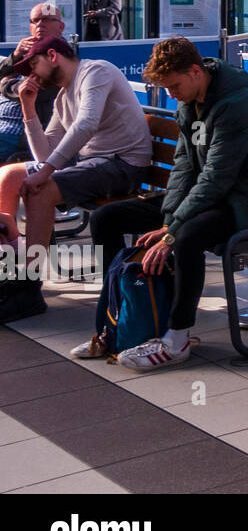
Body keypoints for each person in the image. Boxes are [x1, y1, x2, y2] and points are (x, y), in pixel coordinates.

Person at [75, 37, 248, 370]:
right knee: (106, 219)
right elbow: (185, 166)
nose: (171, 94)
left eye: (174, 86)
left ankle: (177, 338)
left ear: (195, 71)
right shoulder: (190, 104)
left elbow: (217, 178)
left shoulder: (236, 106)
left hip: (247, 202)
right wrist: (168, 219)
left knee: (187, 238)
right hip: (208, 197)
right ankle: (117, 321)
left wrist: (171, 230)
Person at [0, 36, 152, 322]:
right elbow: (45, 153)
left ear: (53, 55)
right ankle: (22, 282)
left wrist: (45, 172)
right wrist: (28, 109)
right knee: (28, 183)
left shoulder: (96, 71)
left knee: (40, 190)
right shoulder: (62, 97)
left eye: (34, 64)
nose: (31, 75)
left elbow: (87, 123)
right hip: (99, 164)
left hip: (124, 165)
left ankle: (28, 289)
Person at [0, 3, 66, 163]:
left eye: (46, 20)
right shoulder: (27, 50)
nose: (40, 25)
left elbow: (33, 90)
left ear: (61, 27)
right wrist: (15, 56)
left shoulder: (62, 55)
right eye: (35, 21)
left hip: (19, 130)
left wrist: (5, 85)